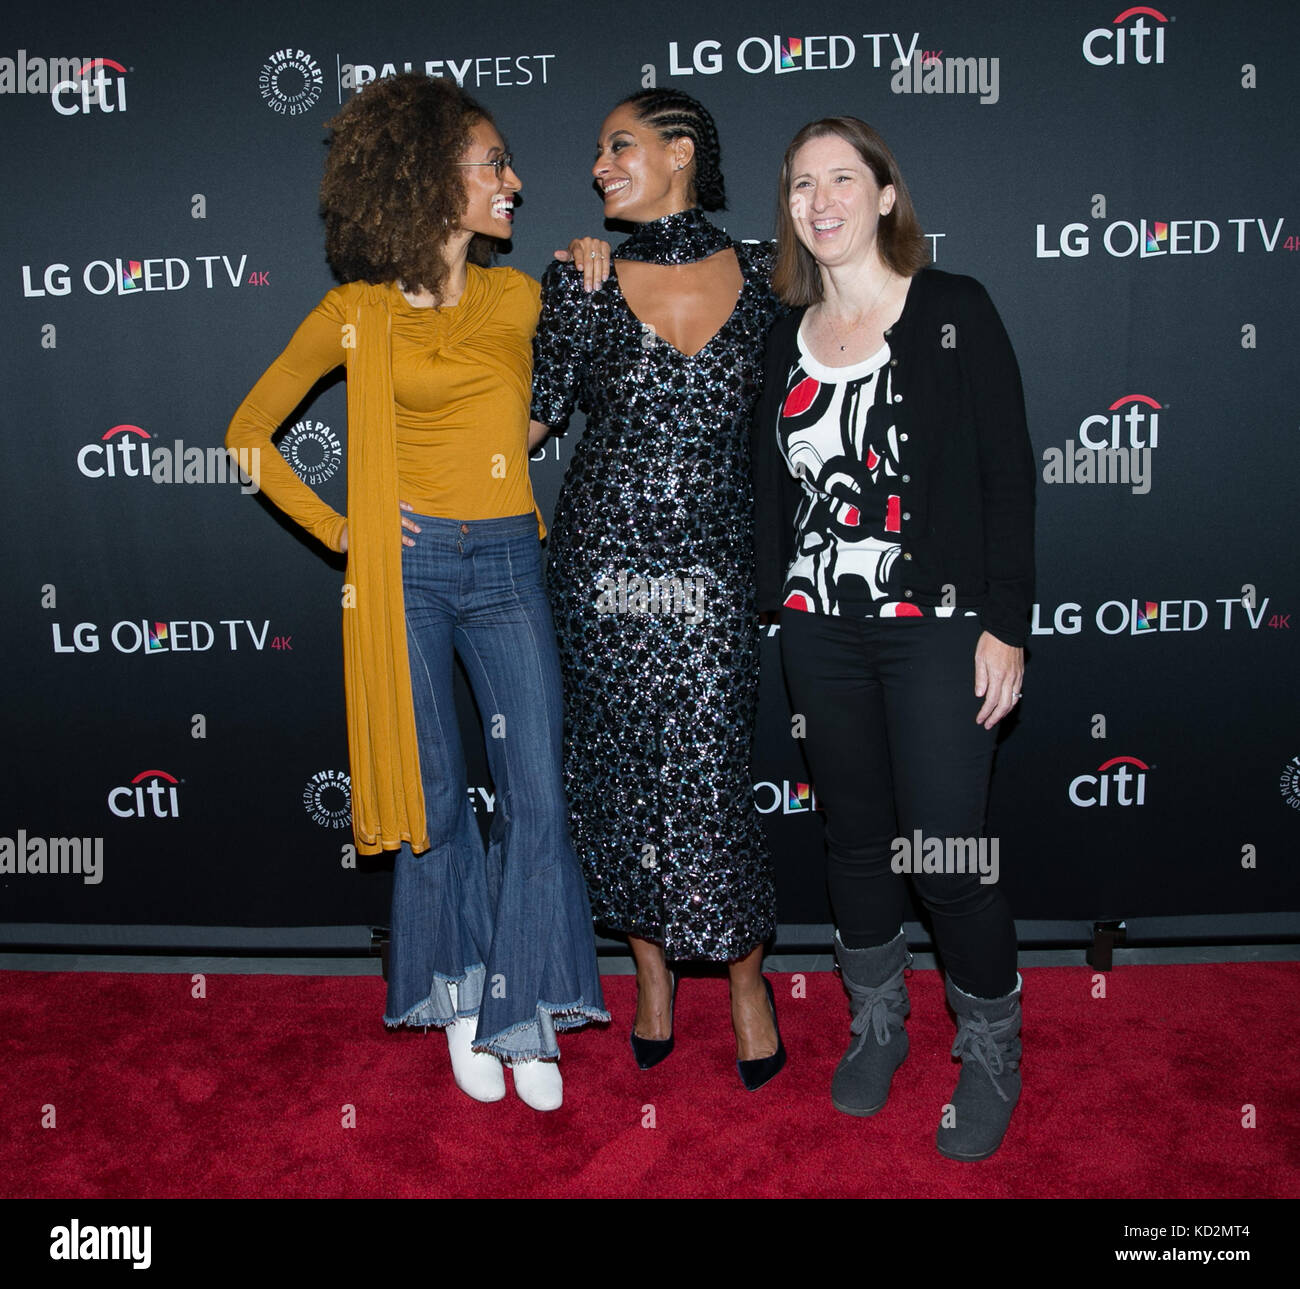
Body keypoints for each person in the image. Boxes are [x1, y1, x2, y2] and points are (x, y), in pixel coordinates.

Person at [225, 72, 607, 1112]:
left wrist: (593, 265)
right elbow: (247, 436)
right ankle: (456, 999)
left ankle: (526, 1011)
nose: (517, 182)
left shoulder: (526, 296)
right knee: (434, 799)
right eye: (494, 165)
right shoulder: (352, 314)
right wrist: (346, 531)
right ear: (433, 183)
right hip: (407, 572)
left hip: (508, 563)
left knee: (536, 792)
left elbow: (552, 402)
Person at [752, 117, 1035, 1157]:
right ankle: (879, 1021)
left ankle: (991, 1044)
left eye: (839, 178)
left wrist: (1007, 623)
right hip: (819, 634)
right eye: (797, 186)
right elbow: (766, 486)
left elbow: (1009, 475)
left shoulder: (952, 309)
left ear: (882, 194)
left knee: (947, 850)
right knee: (855, 840)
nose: (817, 200)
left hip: (940, 631)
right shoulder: (780, 332)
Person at [528, 89, 785, 1090]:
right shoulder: (580, 282)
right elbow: (533, 426)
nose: (598, 166)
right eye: (598, 151)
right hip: (602, 565)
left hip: (717, 563)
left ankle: (746, 980)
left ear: (679, 153)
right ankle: (649, 974)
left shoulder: (767, 275)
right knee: (621, 770)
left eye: (617, 146)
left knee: (713, 772)